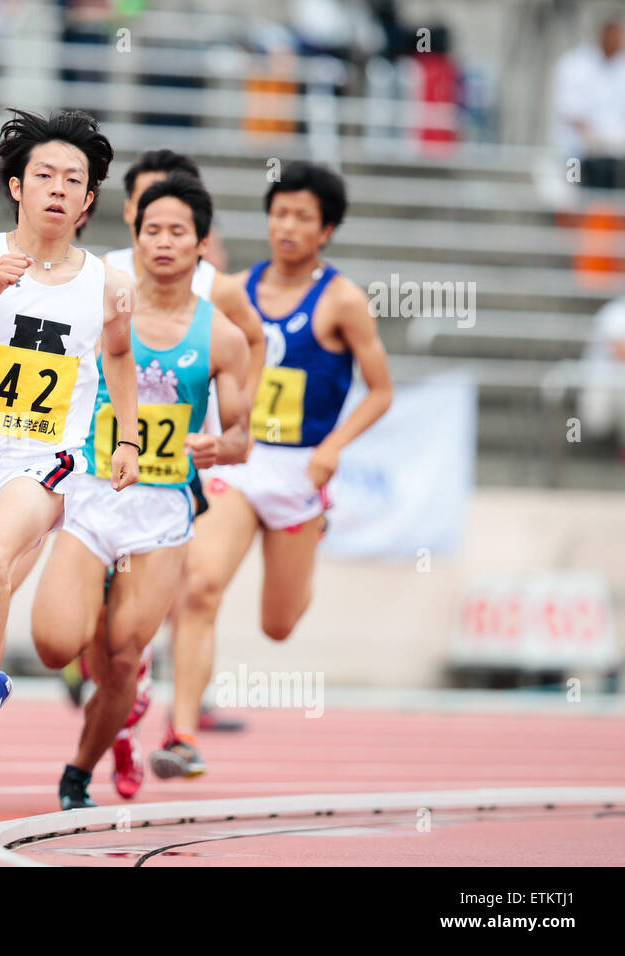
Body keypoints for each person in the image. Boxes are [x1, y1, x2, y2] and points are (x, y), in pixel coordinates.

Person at [0, 107, 140, 793]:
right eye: (45, 175)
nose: (59, 188)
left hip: (46, 458)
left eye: (75, 179)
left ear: (90, 198)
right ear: (17, 186)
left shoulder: (109, 286)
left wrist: (124, 437)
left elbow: (120, 358)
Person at [151, 161, 393, 779]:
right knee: (201, 585)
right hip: (244, 456)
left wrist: (333, 447)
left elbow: (380, 391)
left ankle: (317, 527)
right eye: (279, 212)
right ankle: (182, 733)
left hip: (301, 473)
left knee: (278, 625)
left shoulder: (342, 300)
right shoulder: (232, 290)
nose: (287, 226)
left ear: (327, 230)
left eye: (303, 217)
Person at [33, 175, 251, 809]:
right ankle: (105, 667)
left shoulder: (223, 337)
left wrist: (225, 446)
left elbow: (242, 437)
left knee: (124, 658)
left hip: (160, 512)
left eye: (178, 231)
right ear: (134, 236)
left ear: (201, 243)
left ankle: (78, 772)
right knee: (54, 645)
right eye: (151, 229)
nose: (163, 242)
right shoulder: (98, 300)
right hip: (93, 493)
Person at [94, 149, 267, 798]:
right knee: (102, 625)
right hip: (102, 465)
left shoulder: (214, 286)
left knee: (196, 589)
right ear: (131, 214)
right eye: (147, 210)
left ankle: (184, 732)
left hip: (178, 469)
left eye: (176, 218)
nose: (160, 228)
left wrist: (233, 424)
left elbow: (253, 340)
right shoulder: (103, 276)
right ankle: (115, 711)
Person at [552, 14, 625, 189]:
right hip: (574, 154)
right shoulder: (574, 65)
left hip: (615, 157)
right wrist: (599, 139)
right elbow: (571, 112)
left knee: (612, 204)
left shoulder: (621, 67)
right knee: (572, 200)